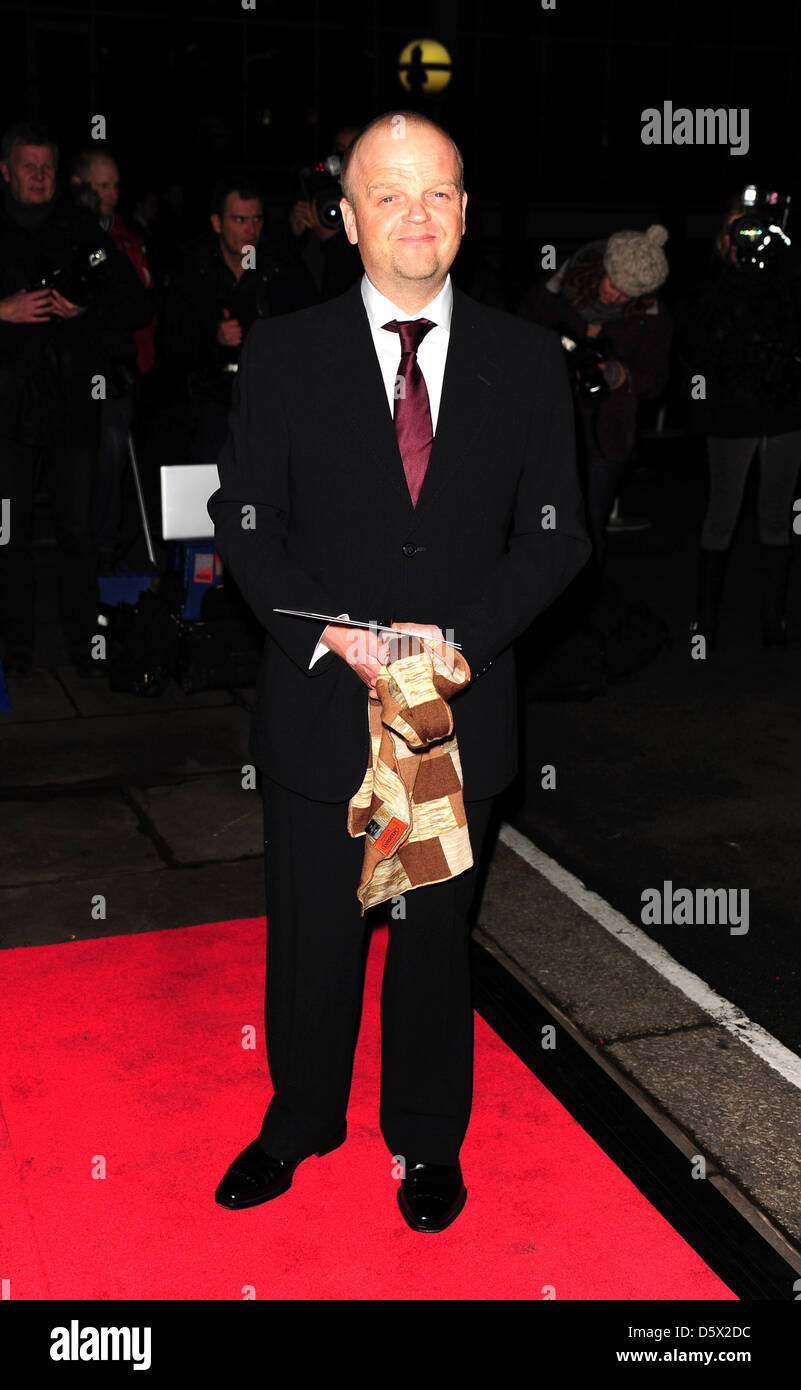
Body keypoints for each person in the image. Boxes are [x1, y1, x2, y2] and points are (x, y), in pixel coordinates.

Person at [207, 110, 590, 1232]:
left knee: (434, 952)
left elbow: (559, 532)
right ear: (347, 215)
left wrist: (455, 636)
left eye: (438, 194)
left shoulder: (528, 360)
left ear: (465, 215)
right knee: (312, 939)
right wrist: (331, 631)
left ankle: (426, 1140)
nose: (415, 215)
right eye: (389, 194)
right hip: (323, 699)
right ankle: (298, 1121)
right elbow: (247, 519)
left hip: (458, 718)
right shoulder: (282, 351)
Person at [0, 122, 152, 675]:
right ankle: (15, 648)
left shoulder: (80, 228)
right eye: (28, 166)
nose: (38, 177)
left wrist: (88, 309)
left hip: (72, 405)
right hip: (10, 409)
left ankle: (84, 645)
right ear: (7, 171)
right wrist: (4, 309)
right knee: (9, 532)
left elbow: (135, 304)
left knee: (77, 531)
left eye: (46, 167)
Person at [677, 194, 801, 649]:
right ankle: (705, 619)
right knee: (722, 514)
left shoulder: (785, 273)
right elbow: (697, 340)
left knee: (775, 516)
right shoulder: (710, 278)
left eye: (755, 230)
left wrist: (781, 260)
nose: (747, 239)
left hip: (784, 413)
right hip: (731, 415)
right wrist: (736, 275)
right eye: (738, 230)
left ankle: (775, 619)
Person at [518, 226, 672, 564]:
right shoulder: (557, 293)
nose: (616, 298)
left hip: (607, 437)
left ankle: (589, 606)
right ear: (600, 270)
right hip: (549, 432)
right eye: (613, 285)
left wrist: (623, 376)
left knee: (588, 529)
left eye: (627, 295)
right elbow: (519, 340)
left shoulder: (651, 317)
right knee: (542, 527)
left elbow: (657, 379)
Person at [162, 174, 316, 462]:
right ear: (217, 223)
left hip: (270, 398)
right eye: (240, 220)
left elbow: (308, 331)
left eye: (257, 219)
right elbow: (172, 351)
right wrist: (213, 339)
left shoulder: (280, 268)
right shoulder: (193, 272)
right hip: (210, 401)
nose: (251, 230)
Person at [71, 144, 159, 571]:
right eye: (100, 185)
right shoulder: (68, 232)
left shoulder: (125, 237)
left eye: (114, 185)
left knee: (111, 451)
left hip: (119, 372)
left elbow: (141, 305)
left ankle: (102, 550)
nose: (109, 193)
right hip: (67, 373)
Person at [288, 123, 363, 301]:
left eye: (352, 149)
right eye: (339, 151)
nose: (344, 158)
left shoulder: (372, 192)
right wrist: (294, 233)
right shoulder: (315, 187)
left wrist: (332, 241)